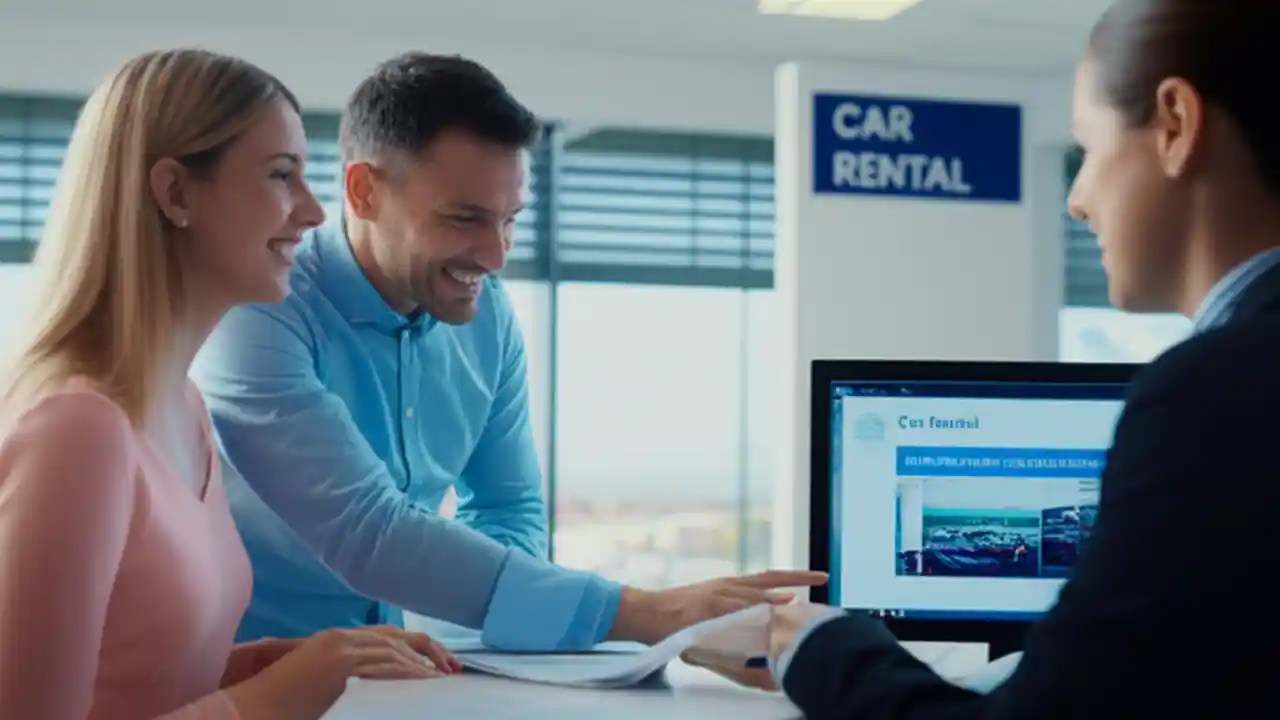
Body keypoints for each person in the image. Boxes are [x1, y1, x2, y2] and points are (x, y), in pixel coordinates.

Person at [685, 0, 1280, 717]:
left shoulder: (1215, 392)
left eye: (1087, 149)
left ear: (1176, 125)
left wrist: (813, 642)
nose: (1077, 200)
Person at [190, 50, 825, 650]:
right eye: (464, 219)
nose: (495, 257)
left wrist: (504, 637)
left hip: (416, 665)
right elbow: (368, 530)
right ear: (363, 193)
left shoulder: (486, 314)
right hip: (253, 673)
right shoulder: (258, 308)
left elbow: (506, 506)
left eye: (510, 219)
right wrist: (649, 615)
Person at [0, 48, 460, 720]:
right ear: (176, 193)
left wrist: (312, 659)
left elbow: (139, 669)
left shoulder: (180, 406)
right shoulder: (79, 430)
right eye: (282, 175)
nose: (312, 212)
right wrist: (267, 700)